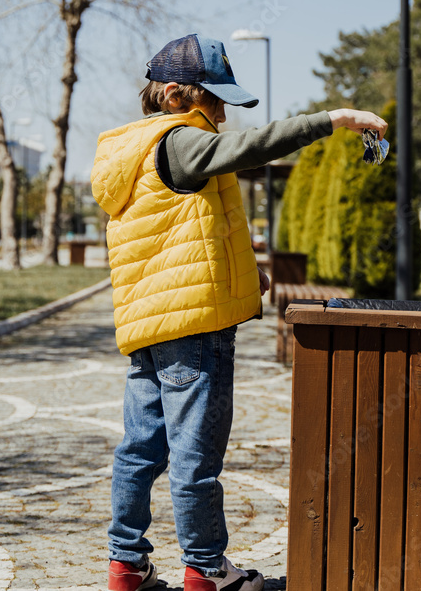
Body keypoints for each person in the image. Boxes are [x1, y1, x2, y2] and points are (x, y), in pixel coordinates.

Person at [90, 33, 387, 591]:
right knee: (195, 460)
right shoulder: (179, 143)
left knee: (139, 450)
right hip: (196, 333)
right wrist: (334, 119)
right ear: (177, 95)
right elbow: (254, 147)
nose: (224, 114)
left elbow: (182, 246)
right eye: (216, 99)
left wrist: (252, 279)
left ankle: (126, 565)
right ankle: (206, 570)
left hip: (150, 328)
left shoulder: (135, 155)